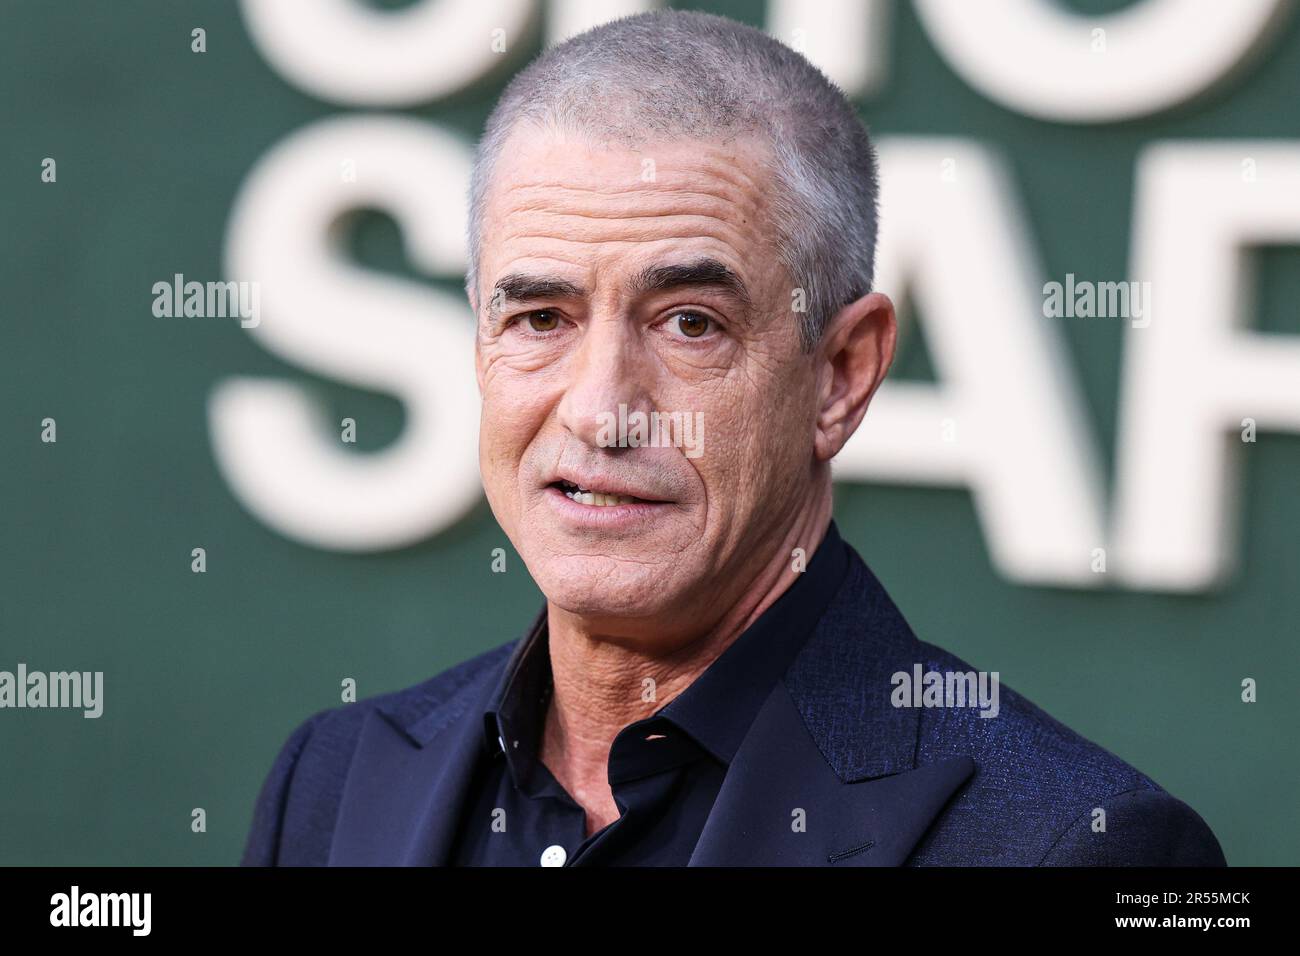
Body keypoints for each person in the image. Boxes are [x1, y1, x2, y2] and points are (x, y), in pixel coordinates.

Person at [241, 9, 1224, 867]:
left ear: (841, 373)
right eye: (540, 317)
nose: (600, 410)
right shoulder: (329, 784)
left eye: (689, 324)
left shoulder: (1072, 841)